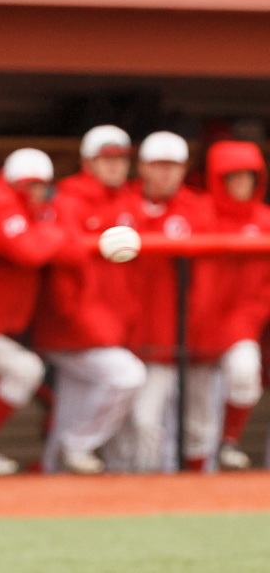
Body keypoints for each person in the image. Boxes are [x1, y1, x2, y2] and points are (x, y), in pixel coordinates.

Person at [0, 148, 84, 475]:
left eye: (41, 186)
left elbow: (75, 250)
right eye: (28, 185)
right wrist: (52, 233)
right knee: (25, 368)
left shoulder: (36, 212)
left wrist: (47, 230)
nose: (36, 193)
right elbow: (27, 250)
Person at [33, 125, 147, 474]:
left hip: (112, 322)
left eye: (120, 159)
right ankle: (76, 444)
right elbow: (63, 268)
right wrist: (72, 316)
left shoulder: (130, 201)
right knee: (127, 376)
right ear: (88, 161)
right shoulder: (67, 198)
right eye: (106, 159)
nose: (115, 166)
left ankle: (55, 482)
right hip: (73, 324)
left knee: (72, 406)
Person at [109, 131, 214, 472]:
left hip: (168, 341)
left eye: (173, 166)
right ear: (143, 167)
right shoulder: (119, 203)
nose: (166, 173)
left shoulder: (198, 209)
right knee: (116, 428)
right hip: (119, 337)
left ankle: (149, 496)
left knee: (147, 421)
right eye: (158, 165)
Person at [185, 140, 270, 470]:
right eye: (232, 176)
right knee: (196, 418)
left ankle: (229, 441)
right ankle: (192, 482)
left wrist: (254, 315)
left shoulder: (264, 219)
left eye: (247, 176)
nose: (240, 183)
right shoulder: (198, 211)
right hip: (197, 323)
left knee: (246, 372)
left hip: (241, 320)